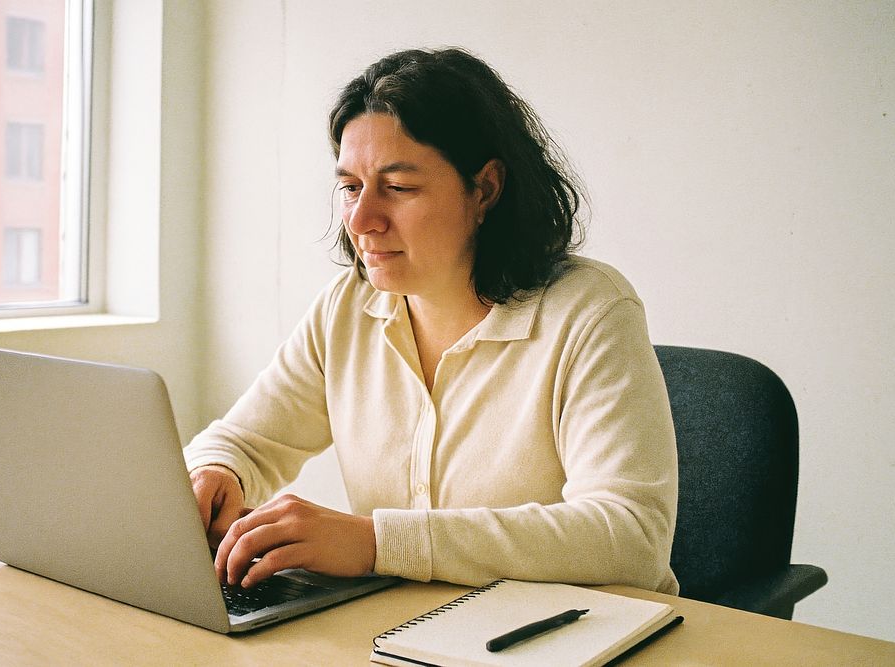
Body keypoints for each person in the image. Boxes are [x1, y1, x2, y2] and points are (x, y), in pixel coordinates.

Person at [185, 47, 679, 595]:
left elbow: (631, 536)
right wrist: (215, 473)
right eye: (351, 188)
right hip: (402, 632)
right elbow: (247, 442)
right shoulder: (346, 307)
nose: (362, 221)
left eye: (398, 188)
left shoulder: (590, 311)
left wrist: (377, 543)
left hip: (569, 638)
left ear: (485, 188)